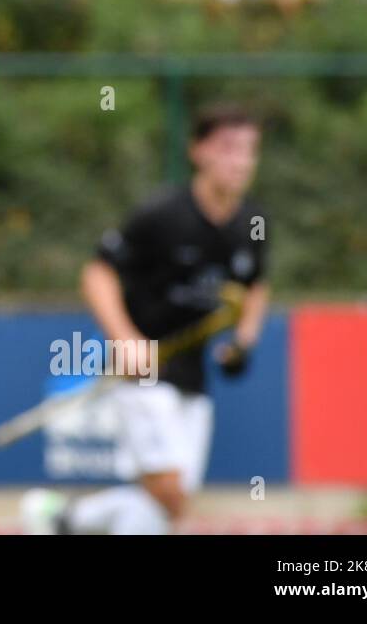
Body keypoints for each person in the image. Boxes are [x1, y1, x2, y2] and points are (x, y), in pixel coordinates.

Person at [21, 104, 270, 534]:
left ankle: (62, 519)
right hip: (143, 376)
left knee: (165, 510)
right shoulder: (163, 214)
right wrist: (126, 339)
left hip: (193, 378)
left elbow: (256, 288)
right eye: (228, 149)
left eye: (249, 150)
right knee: (169, 494)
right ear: (198, 151)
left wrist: (244, 341)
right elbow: (97, 273)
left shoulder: (254, 222)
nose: (240, 161)